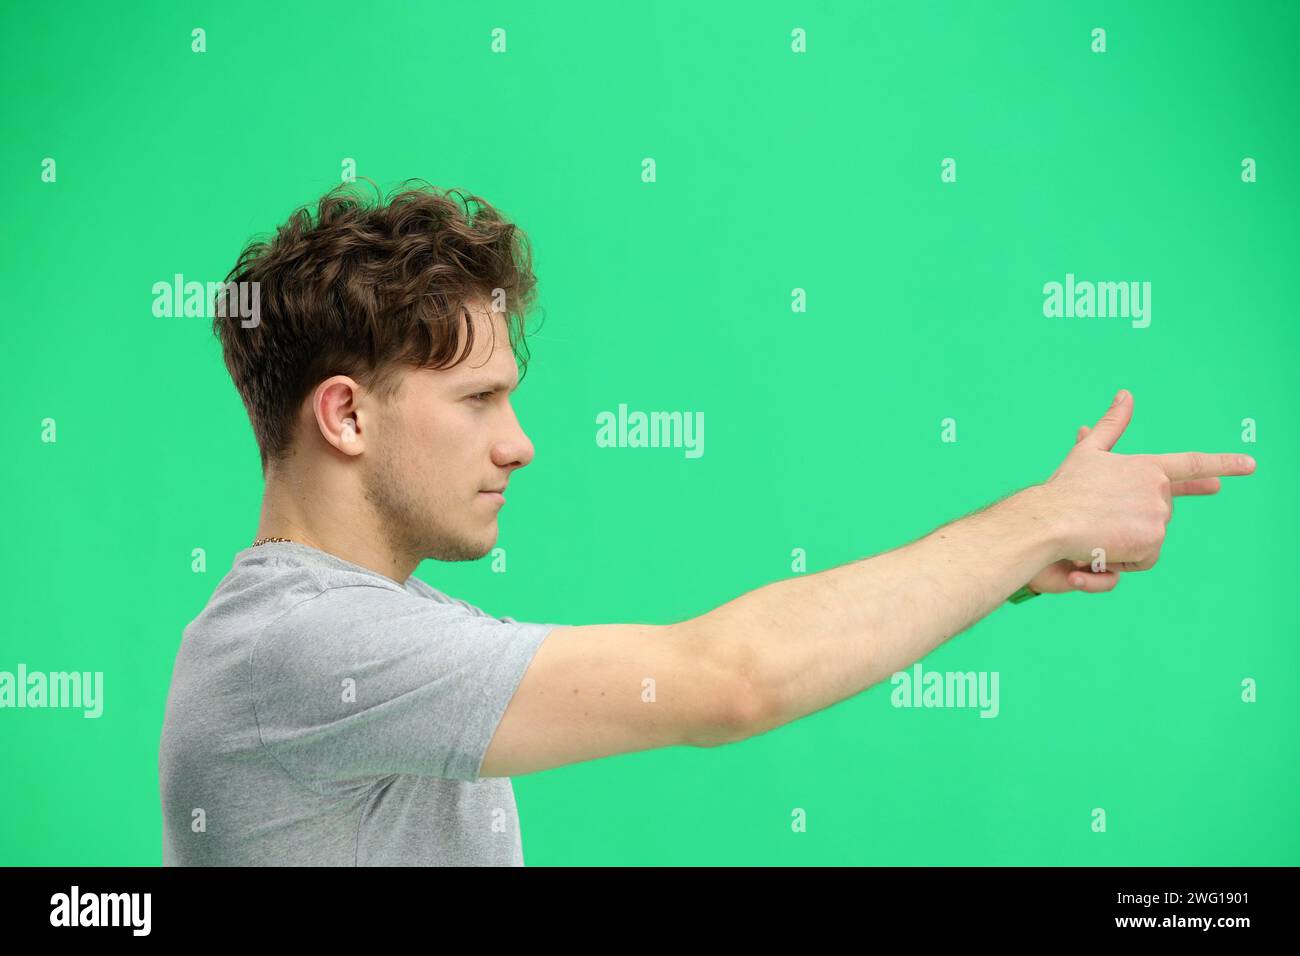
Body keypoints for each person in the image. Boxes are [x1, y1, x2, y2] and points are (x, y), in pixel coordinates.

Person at [158, 178, 1257, 866]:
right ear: (344, 414)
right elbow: (729, 677)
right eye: (479, 398)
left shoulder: (371, 625)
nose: (519, 441)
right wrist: (1036, 519)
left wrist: (1015, 560)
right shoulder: (302, 647)